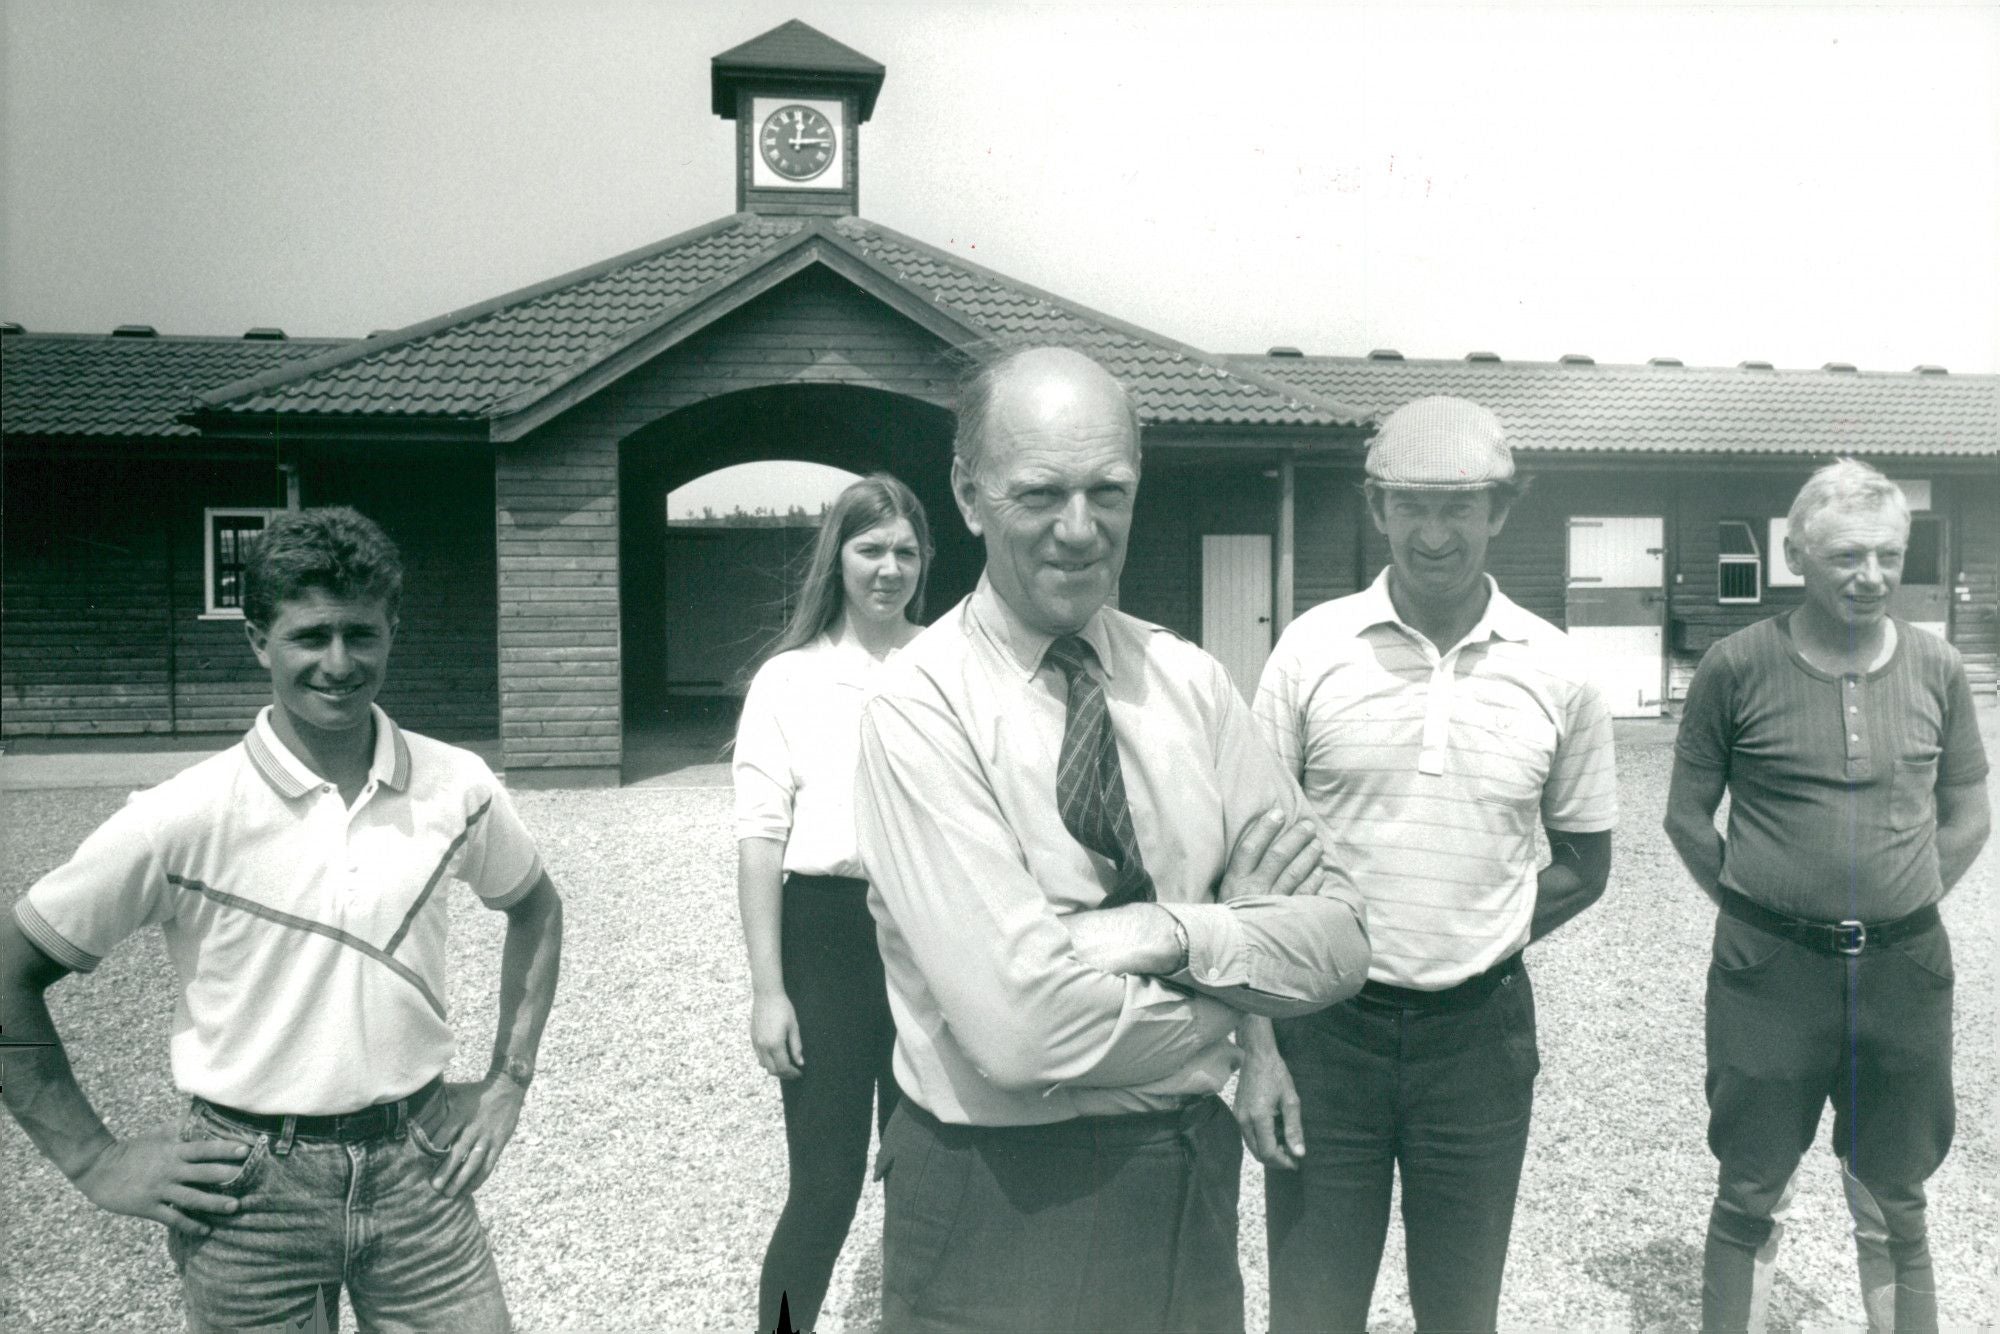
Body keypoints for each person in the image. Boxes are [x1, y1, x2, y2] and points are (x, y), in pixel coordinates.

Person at [854, 345, 1371, 1334]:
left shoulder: (1189, 682)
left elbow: (1344, 942)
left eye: (1109, 490)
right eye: (1040, 492)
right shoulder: (917, 709)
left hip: (1185, 1181)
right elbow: (1021, 1032)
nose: (1079, 529)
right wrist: (1237, 968)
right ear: (968, 494)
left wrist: (1172, 935)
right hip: (995, 1202)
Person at [2, 506, 564, 1333]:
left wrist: (510, 1080)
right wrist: (95, 1158)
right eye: (310, 636)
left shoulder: (460, 786)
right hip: (245, 1194)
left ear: (392, 631)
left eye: (360, 634)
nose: (338, 663)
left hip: (421, 1172)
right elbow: (11, 970)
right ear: (258, 640)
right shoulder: (180, 815)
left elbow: (537, 906)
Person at [1250, 395, 1617, 1334]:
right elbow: (1246, 866)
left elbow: (1585, 860)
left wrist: (1479, 925)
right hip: (1327, 1036)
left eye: (1459, 507)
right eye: (1412, 504)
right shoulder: (1309, 651)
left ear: (1501, 510)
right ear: (1376, 509)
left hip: (1479, 1046)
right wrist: (1256, 1051)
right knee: (1312, 1311)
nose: (1435, 532)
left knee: (1461, 1314)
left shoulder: (1560, 670)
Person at [1664, 458, 1989, 1334]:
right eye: (1847, 557)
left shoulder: (1937, 666)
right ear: (1797, 557)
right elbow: (1688, 820)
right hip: (1769, 974)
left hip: (1904, 972)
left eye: (1888, 556)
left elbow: (1967, 813)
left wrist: (1905, 900)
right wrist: (1759, 911)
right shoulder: (1735, 667)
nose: (1871, 577)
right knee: (1749, 1188)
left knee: (1897, 1194)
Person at [733, 472, 933, 1334]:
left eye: (906, 551)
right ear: (837, 558)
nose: (889, 569)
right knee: (825, 1184)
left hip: (932, 932)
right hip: (828, 936)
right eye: (870, 549)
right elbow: (759, 839)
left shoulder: (950, 662)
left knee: (931, 1172)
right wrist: (769, 990)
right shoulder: (787, 681)